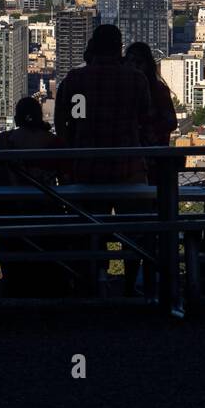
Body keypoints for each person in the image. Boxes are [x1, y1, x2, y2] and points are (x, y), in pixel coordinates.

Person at [55, 24, 154, 296]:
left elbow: (70, 120)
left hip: (88, 166)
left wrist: (73, 147)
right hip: (129, 167)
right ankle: (131, 283)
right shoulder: (135, 80)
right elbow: (145, 120)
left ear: (93, 46)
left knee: (90, 228)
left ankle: (95, 279)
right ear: (119, 46)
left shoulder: (77, 81)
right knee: (134, 232)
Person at [0, 97, 71, 296]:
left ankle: (14, 288)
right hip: (46, 211)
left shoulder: (4, 141)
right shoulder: (53, 143)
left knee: (13, 264)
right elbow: (68, 179)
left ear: (17, 118)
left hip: (10, 212)